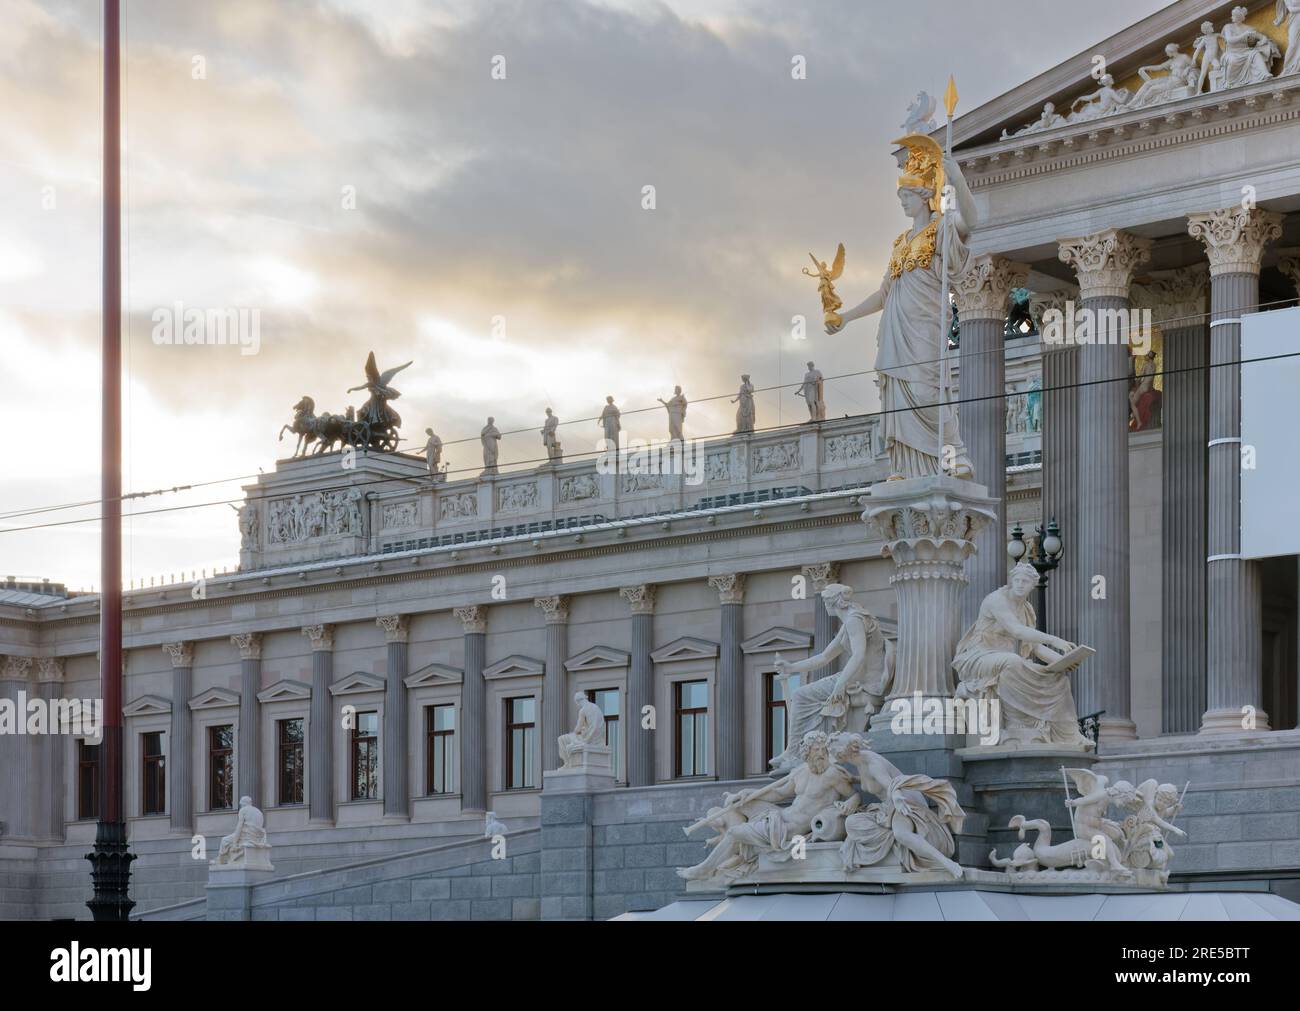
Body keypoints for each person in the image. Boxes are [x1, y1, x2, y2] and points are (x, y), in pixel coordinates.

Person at [830, 135, 974, 479]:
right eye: (900, 198)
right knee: (897, 396)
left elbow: (971, 222)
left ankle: (956, 456)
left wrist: (958, 180)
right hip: (895, 331)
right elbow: (884, 293)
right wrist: (846, 317)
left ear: (924, 196)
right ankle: (906, 467)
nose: (902, 203)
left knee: (927, 391)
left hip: (924, 326)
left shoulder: (941, 230)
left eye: (906, 196)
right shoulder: (900, 243)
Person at [952, 561, 1092, 748]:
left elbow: (1035, 648)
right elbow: (1016, 631)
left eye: (1025, 581)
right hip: (979, 657)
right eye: (1017, 580)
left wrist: (1062, 661)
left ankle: (1071, 735)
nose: (1020, 584)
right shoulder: (996, 600)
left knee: (1059, 678)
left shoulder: (1027, 610)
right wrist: (1055, 640)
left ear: (1033, 585)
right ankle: (1016, 722)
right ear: (1011, 581)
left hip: (1005, 658)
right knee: (1013, 662)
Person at [770, 583, 892, 769]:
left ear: (832, 602)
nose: (824, 606)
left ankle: (794, 751)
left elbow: (859, 655)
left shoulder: (853, 621)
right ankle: (797, 750)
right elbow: (824, 657)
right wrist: (791, 667)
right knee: (804, 694)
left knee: (800, 695)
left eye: (825, 601)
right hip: (856, 677)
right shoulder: (851, 620)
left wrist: (840, 685)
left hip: (863, 682)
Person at [558, 691, 605, 767]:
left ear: (578, 701)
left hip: (588, 739)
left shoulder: (583, 710)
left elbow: (577, 729)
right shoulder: (596, 707)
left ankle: (567, 763)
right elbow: (596, 725)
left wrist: (580, 731)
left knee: (561, 739)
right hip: (598, 739)